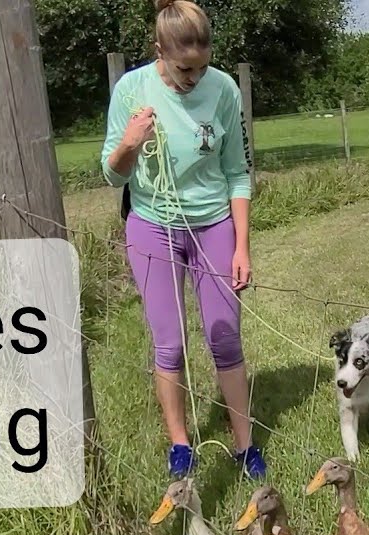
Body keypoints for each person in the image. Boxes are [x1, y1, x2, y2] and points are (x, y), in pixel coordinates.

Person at [100, 0, 265, 480]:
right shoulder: (131, 90)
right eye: (182, 68)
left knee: (224, 334)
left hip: (214, 223)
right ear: (159, 51)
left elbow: (238, 173)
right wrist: (129, 143)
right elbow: (111, 177)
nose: (193, 78)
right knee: (168, 344)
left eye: (202, 66)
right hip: (152, 224)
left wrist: (241, 245)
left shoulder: (225, 90)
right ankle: (180, 444)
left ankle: (244, 444)